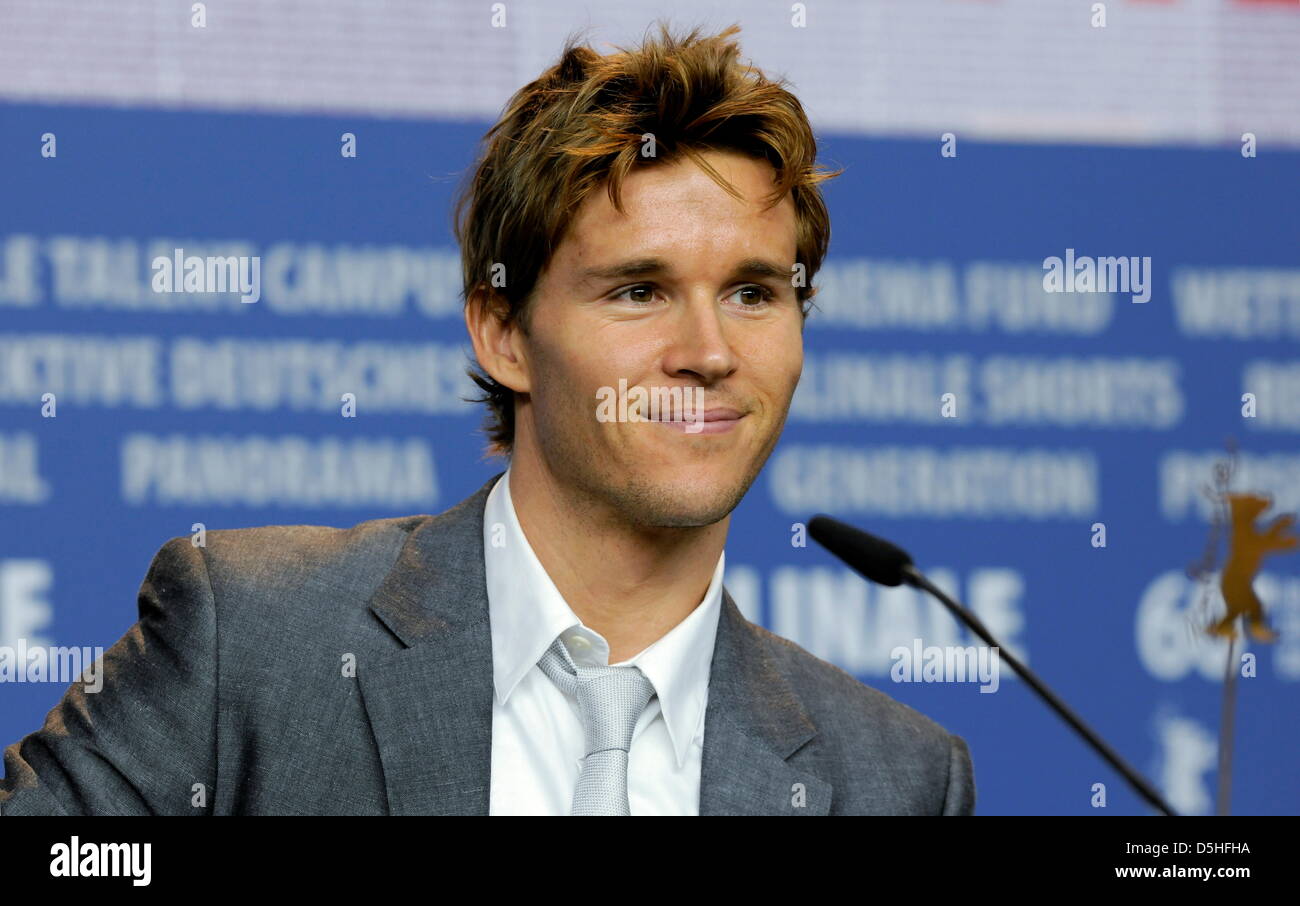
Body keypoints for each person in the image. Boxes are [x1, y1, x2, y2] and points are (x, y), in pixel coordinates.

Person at [1, 22, 974, 816]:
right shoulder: (248, 642)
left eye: (755, 293)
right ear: (503, 332)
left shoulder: (896, 780)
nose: (709, 350)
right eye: (639, 291)